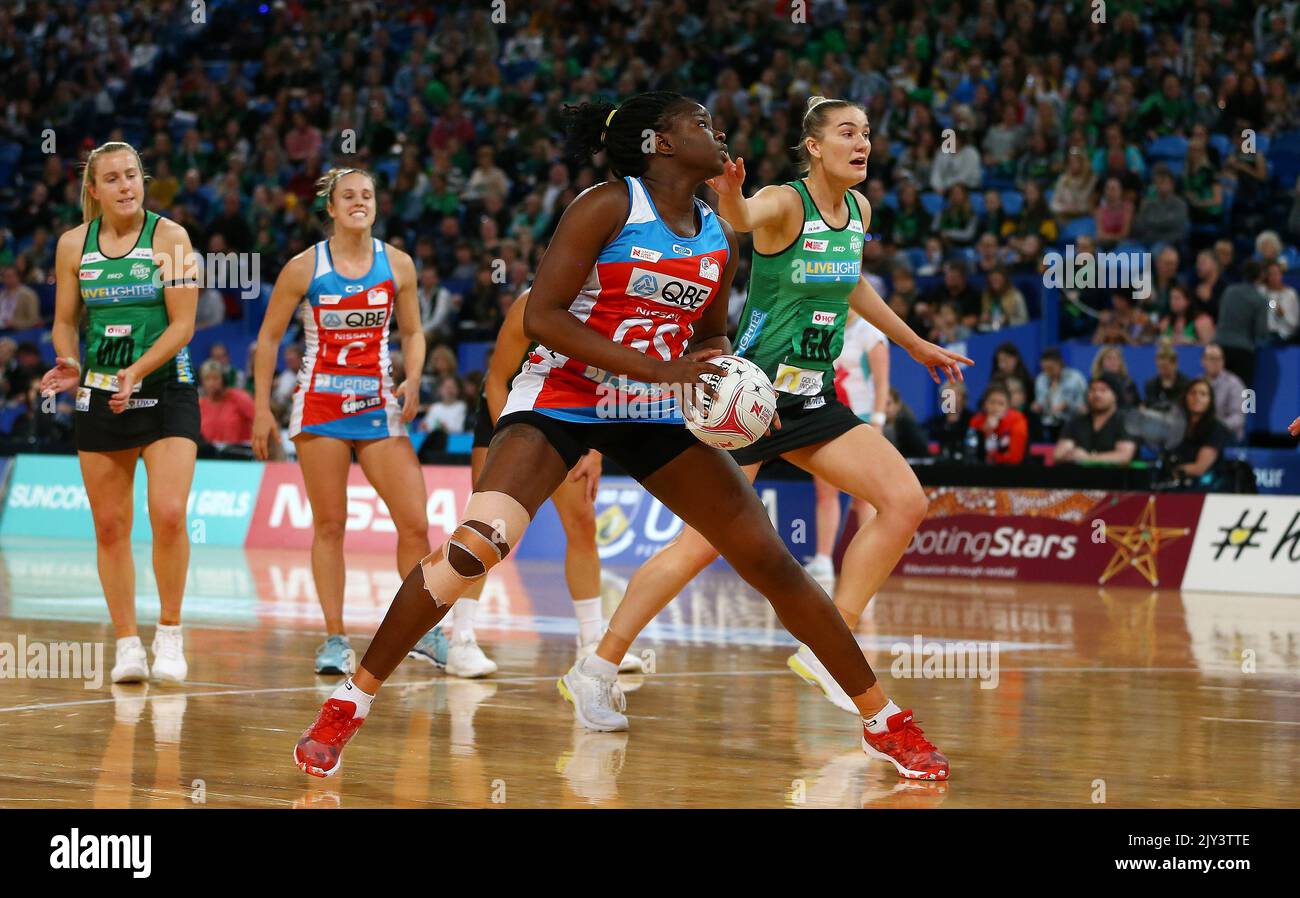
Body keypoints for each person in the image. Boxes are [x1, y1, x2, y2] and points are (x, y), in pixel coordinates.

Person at [293, 92, 959, 782]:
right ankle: (349, 703)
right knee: (472, 549)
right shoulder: (606, 206)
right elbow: (545, 317)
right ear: (659, 143)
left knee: (770, 560)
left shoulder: (712, 231)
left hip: (654, 411)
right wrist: (658, 369)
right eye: (700, 123)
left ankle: (884, 720)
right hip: (561, 400)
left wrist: (725, 386)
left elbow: (709, 340)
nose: (718, 131)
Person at [577, 96, 969, 732]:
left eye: (867, 132)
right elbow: (741, 217)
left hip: (813, 396)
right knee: (699, 547)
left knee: (905, 501)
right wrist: (730, 193)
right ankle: (595, 669)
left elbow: (851, 281)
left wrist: (914, 342)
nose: (861, 142)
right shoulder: (786, 201)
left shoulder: (859, 210)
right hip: (749, 400)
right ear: (814, 147)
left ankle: (828, 645)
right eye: (847, 132)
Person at [252, 167, 434, 676]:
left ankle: (421, 633)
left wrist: (414, 377)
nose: (360, 202)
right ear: (330, 209)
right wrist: (262, 408)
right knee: (330, 525)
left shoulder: (396, 263)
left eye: (368, 195)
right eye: (348, 196)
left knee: (415, 524)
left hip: (378, 403)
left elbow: (414, 332)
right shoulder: (302, 268)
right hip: (321, 406)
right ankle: (334, 639)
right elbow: (267, 339)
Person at [409, 289, 644, 675]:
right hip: (508, 409)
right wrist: (519, 445)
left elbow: (609, 382)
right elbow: (498, 380)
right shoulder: (530, 301)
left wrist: (596, 450)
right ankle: (461, 639)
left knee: (583, 525)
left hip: (573, 412)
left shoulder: (614, 303)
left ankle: (591, 642)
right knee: (486, 533)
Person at [39, 141, 199, 684]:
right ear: (94, 190)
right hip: (101, 388)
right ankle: (127, 644)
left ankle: (170, 636)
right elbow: (65, 320)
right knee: (109, 526)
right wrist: (67, 358)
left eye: (133, 175)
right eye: (113, 179)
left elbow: (183, 325)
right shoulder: (71, 246)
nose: (127, 186)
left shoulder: (170, 237)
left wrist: (138, 370)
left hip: (164, 386)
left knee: (170, 513)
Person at [807, 309, 890, 588]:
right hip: (827, 417)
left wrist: (878, 421)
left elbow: (882, 382)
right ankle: (823, 560)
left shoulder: (872, 332)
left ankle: (867, 564)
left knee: (863, 497)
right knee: (825, 491)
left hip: (861, 420)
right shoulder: (827, 324)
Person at [1053, 374, 1137, 465]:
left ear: (1115, 395)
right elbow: (1059, 454)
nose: (1097, 394)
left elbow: (1124, 456)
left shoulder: (1126, 421)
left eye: (1103, 390)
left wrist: (1088, 458)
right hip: (1080, 477)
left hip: (1117, 477)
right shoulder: (1076, 421)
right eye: (1093, 390)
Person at [1213, 259, 1270, 386]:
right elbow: (1261, 332)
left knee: (1217, 388)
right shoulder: (1259, 299)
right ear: (1261, 275)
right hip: (1242, 351)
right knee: (1242, 391)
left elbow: (1220, 315)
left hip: (1219, 346)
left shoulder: (1229, 291)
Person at [1170, 377, 1233, 486]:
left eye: (1203, 394)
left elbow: (1200, 468)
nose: (1197, 398)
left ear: (1210, 400)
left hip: (1209, 486)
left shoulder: (1217, 428)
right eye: (1192, 393)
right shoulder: (1176, 426)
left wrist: (1174, 471)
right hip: (1177, 482)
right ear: (1185, 397)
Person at [198, 358, 255, 445]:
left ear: (224, 380)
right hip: (209, 455)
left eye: (215, 378)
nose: (211, 383)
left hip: (239, 453)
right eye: (207, 379)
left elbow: (258, 420)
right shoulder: (200, 405)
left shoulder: (240, 398)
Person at [969, 382, 1028, 465]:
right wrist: (985, 431)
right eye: (992, 402)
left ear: (1008, 406)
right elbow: (971, 454)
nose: (995, 407)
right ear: (985, 404)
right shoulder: (977, 421)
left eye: (1001, 404)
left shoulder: (1018, 421)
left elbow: (1015, 458)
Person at [1201, 343, 1247, 442]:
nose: (1216, 362)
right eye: (1212, 359)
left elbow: (1238, 418)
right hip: (1202, 433)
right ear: (1203, 361)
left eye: (1219, 359)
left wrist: (1217, 427)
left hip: (1228, 434)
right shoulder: (1198, 382)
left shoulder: (1234, 384)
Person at [1143, 343, 1191, 413]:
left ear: (1175, 364)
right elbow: (1150, 404)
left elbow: (1181, 406)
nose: (1161, 370)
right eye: (1159, 367)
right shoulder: (1150, 384)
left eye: (1165, 366)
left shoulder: (1186, 383)